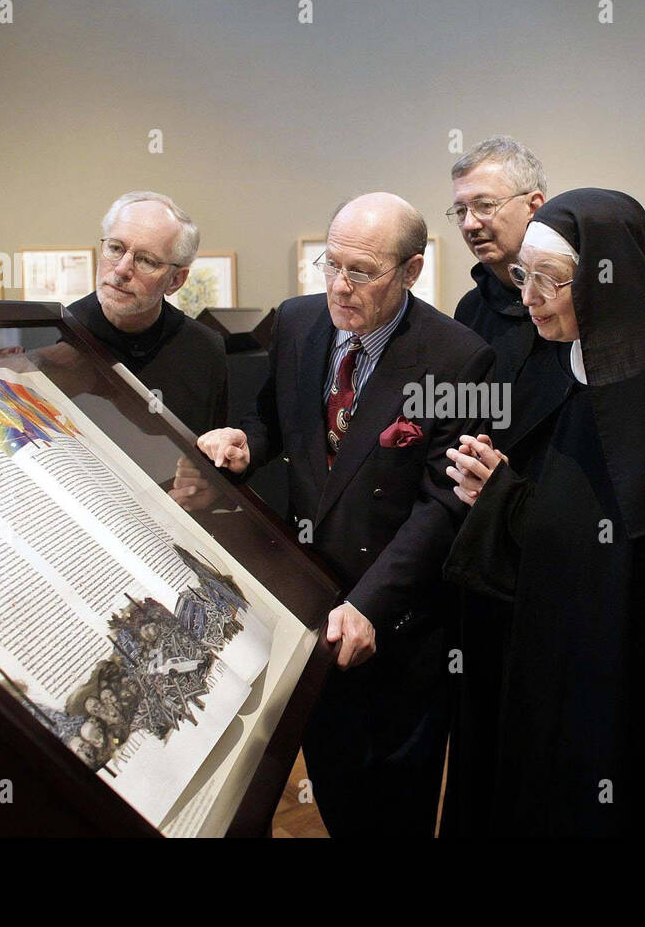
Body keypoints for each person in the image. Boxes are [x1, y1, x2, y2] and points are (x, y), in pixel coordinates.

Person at [193, 193, 494, 837]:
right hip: (314, 602)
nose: (339, 286)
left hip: (400, 621)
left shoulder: (456, 356)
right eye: (330, 265)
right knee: (332, 785)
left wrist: (372, 605)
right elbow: (276, 416)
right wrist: (248, 443)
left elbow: (443, 505)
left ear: (411, 271)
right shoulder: (299, 324)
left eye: (362, 271)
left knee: (394, 808)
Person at [444, 188, 645, 835]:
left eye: (550, 279)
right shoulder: (555, 365)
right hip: (544, 650)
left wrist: (507, 500)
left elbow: (642, 554)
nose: (529, 296)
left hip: (627, 670)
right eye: (525, 274)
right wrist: (496, 494)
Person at [442, 136, 574, 836]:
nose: (470, 222)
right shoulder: (470, 309)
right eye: (459, 209)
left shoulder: (588, 304)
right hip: (482, 546)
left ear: (536, 204)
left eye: (485, 205)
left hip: (553, 547)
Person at [67, 191, 228, 435]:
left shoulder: (204, 349)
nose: (121, 270)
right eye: (115, 248)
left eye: (146, 261)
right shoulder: (59, 334)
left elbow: (210, 459)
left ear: (175, 280)